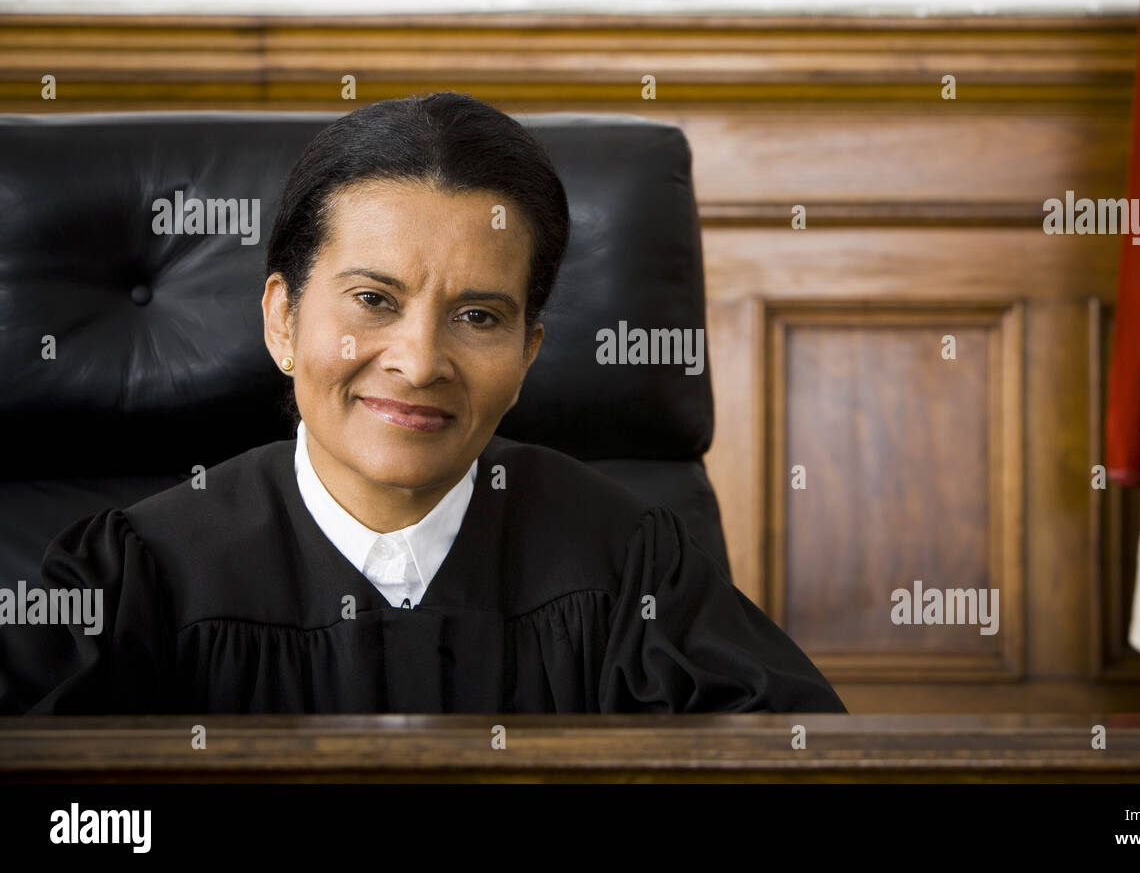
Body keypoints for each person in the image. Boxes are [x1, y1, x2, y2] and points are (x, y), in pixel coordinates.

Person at [0, 92, 846, 714]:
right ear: (283, 319)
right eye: (373, 300)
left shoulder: (631, 569)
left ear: (527, 356)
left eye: (478, 317)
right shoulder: (136, 577)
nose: (419, 361)